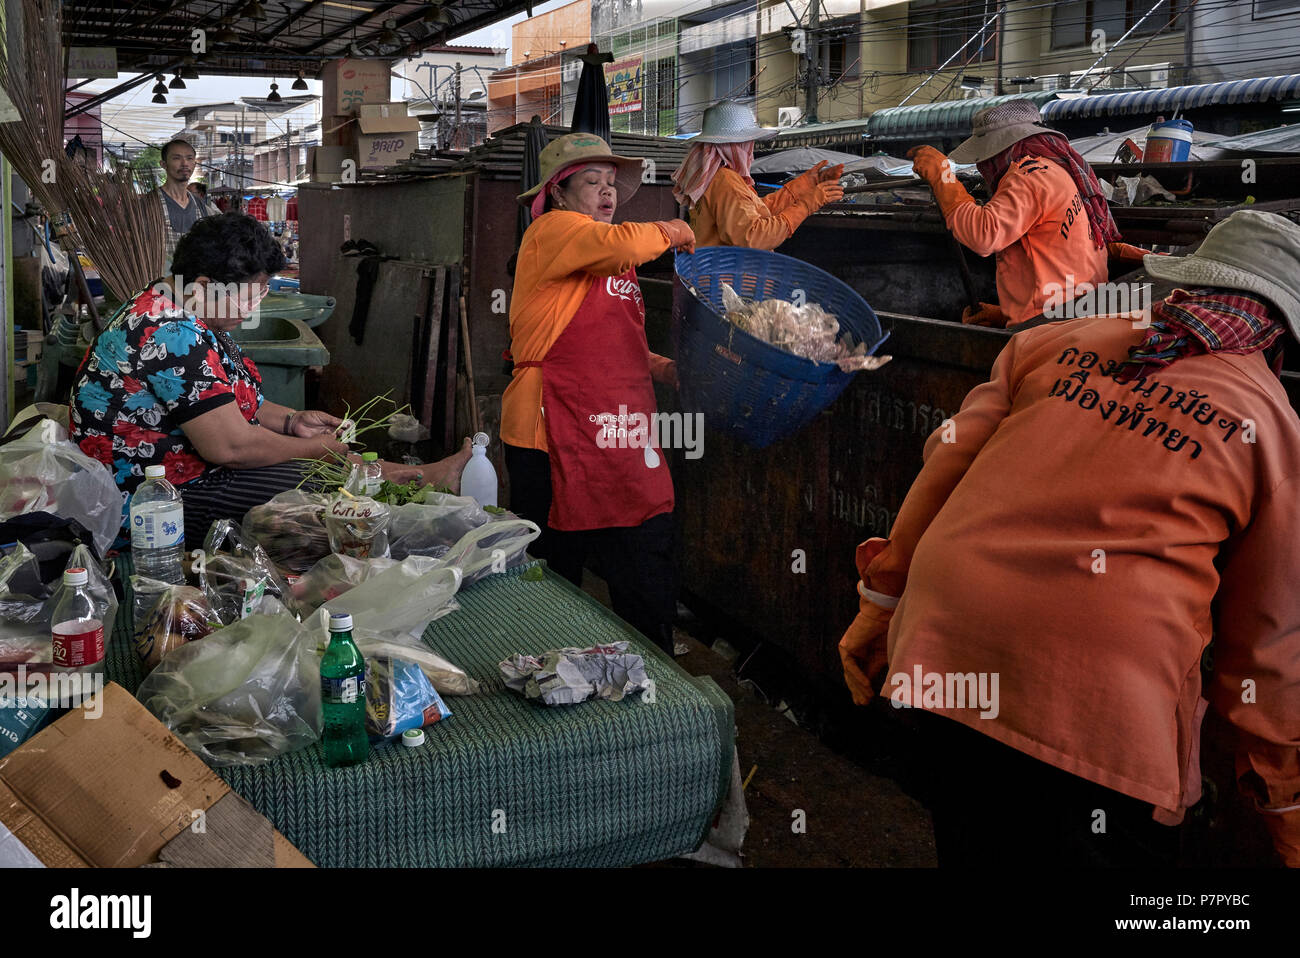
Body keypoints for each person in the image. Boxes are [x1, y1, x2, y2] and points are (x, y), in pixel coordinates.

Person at [838, 210, 1300, 868]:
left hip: (952, 646)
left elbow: (943, 465)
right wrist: (1282, 798)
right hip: (1103, 708)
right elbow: (1268, 646)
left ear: (1188, 286)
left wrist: (878, 604)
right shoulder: (1273, 426)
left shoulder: (1054, 342)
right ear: (1282, 332)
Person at [69, 212, 469, 545]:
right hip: (152, 503)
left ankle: (411, 477)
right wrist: (316, 450)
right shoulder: (168, 331)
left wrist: (293, 421)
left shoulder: (181, 304)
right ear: (206, 285)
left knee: (315, 465)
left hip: (183, 473)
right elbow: (231, 447)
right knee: (314, 482)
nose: (253, 307)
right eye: (249, 295)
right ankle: (412, 490)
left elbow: (227, 401)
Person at [502, 133, 696, 653]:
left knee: (645, 545)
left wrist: (663, 368)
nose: (608, 192)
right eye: (593, 182)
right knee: (554, 569)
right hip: (551, 427)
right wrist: (675, 228)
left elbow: (615, 342)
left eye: (612, 183)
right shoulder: (554, 230)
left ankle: (654, 674)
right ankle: (546, 675)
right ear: (559, 193)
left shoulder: (606, 251)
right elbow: (629, 243)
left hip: (621, 427)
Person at [906, 99, 1120, 329]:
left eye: (986, 158)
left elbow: (983, 234)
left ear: (1002, 150)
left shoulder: (1031, 176)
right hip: (1074, 312)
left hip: (1053, 326)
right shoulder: (1057, 171)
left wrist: (943, 176)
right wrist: (1006, 314)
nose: (982, 167)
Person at [672, 99, 845, 249]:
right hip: (728, 279)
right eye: (749, 143)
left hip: (714, 274)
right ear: (736, 145)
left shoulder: (717, 178)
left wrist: (807, 184)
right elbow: (752, 236)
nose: (751, 150)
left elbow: (757, 211)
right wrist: (807, 204)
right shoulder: (725, 180)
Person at [155, 139, 219, 271]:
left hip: (195, 285)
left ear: (194, 164)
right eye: (176, 158)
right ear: (163, 164)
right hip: (160, 286)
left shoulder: (201, 206)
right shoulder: (149, 204)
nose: (184, 164)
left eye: (189, 158)